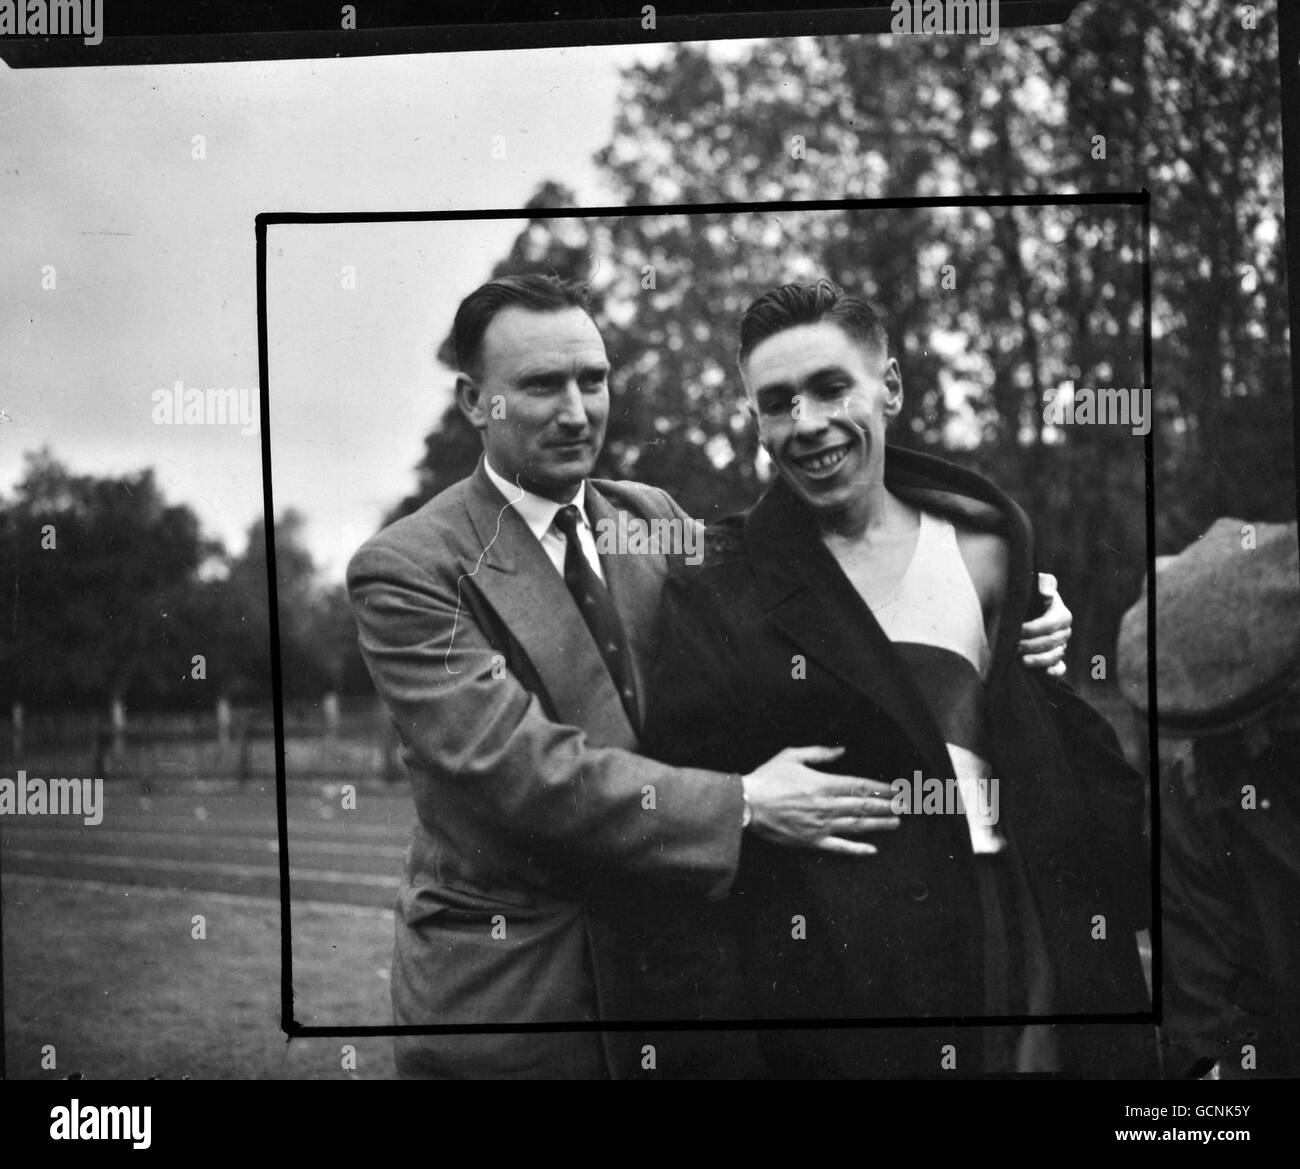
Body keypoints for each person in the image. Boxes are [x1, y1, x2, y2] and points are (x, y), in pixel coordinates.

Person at [346, 273, 1075, 1079]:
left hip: (668, 977)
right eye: (541, 385)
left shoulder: (650, 517)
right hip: (516, 996)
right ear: (474, 401)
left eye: (593, 380)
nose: (577, 410)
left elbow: (804, 588)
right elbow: (516, 767)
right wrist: (747, 803)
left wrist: (1007, 605)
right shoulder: (410, 567)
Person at [628, 280, 1156, 1078]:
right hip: (854, 1004)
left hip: (1032, 945)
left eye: (831, 387)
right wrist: (747, 803)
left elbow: (1031, 723)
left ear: (892, 388)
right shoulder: (718, 587)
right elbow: (682, 845)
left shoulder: (986, 538)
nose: (807, 424)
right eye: (777, 403)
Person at [1116, 518, 1300, 1079]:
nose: (1255, 743)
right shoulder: (1195, 799)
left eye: (1277, 717)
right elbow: (1205, 1022)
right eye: (1224, 733)